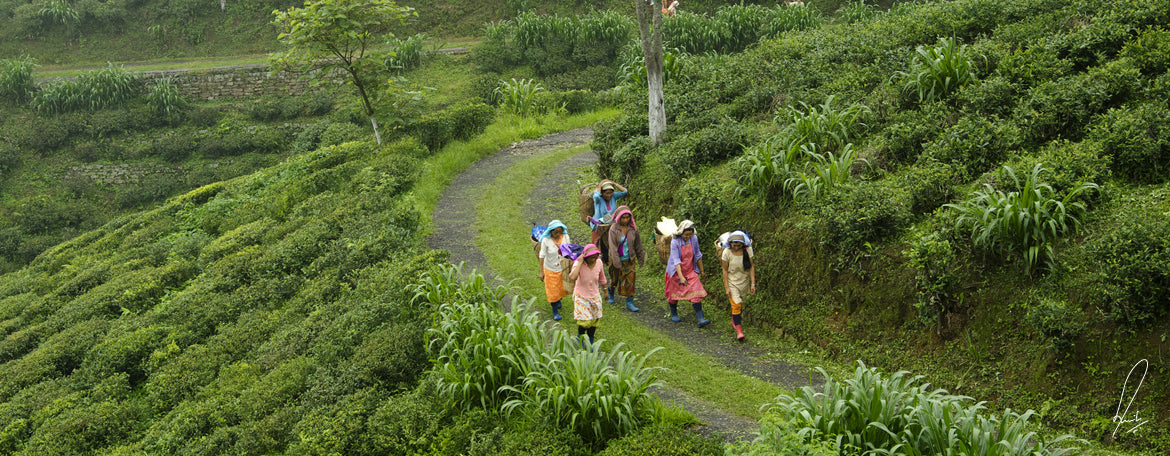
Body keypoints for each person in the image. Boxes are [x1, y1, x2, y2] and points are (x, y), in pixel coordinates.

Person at [664, 220, 710, 327]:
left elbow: (698, 254)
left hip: (690, 270)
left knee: (696, 292)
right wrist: (681, 277)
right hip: (676, 272)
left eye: (690, 234)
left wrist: (702, 271)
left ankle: (700, 319)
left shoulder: (694, 239)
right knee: (673, 294)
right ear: (681, 232)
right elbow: (676, 260)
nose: (687, 237)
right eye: (686, 235)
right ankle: (674, 313)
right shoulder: (675, 242)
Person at [607, 206, 646, 312]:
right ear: (618, 217)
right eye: (623, 217)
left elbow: (638, 245)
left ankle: (629, 302)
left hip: (629, 259)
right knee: (615, 278)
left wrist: (640, 258)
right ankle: (611, 293)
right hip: (616, 259)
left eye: (627, 217)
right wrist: (616, 262)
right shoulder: (613, 229)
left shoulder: (633, 229)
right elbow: (613, 247)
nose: (625, 220)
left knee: (630, 280)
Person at [720, 231, 756, 341]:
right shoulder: (726, 252)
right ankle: (739, 331)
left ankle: (734, 320)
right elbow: (725, 270)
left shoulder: (747, 250)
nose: (736, 247)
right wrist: (727, 287)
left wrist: (753, 283)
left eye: (738, 245)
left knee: (739, 304)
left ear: (743, 244)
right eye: (734, 245)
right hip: (732, 282)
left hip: (743, 281)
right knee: (736, 305)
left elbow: (751, 267)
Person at [569, 244, 607, 348]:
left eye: (595, 257)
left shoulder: (599, 263)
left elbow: (602, 278)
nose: (594, 259)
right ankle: (580, 338)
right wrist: (580, 262)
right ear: (586, 257)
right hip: (581, 296)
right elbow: (572, 276)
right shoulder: (579, 264)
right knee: (584, 321)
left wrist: (605, 291)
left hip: (595, 295)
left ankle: (590, 339)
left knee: (595, 319)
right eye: (591, 257)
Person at [588, 181, 628, 270]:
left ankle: (609, 258)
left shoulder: (614, 197)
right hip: (599, 224)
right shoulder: (599, 200)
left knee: (610, 241)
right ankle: (598, 260)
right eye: (607, 193)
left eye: (611, 192)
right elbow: (596, 196)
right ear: (602, 193)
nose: (609, 195)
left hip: (610, 223)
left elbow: (624, 191)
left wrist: (614, 183)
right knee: (598, 242)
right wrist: (600, 185)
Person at [537, 220, 571, 321]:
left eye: (560, 231)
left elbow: (569, 250)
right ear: (551, 231)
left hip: (562, 267)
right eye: (555, 232)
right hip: (550, 269)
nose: (558, 234)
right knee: (553, 291)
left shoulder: (565, 237)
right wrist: (541, 271)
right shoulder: (546, 240)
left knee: (561, 288)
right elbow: (542, 255)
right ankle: (555, 311)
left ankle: (558, 300)